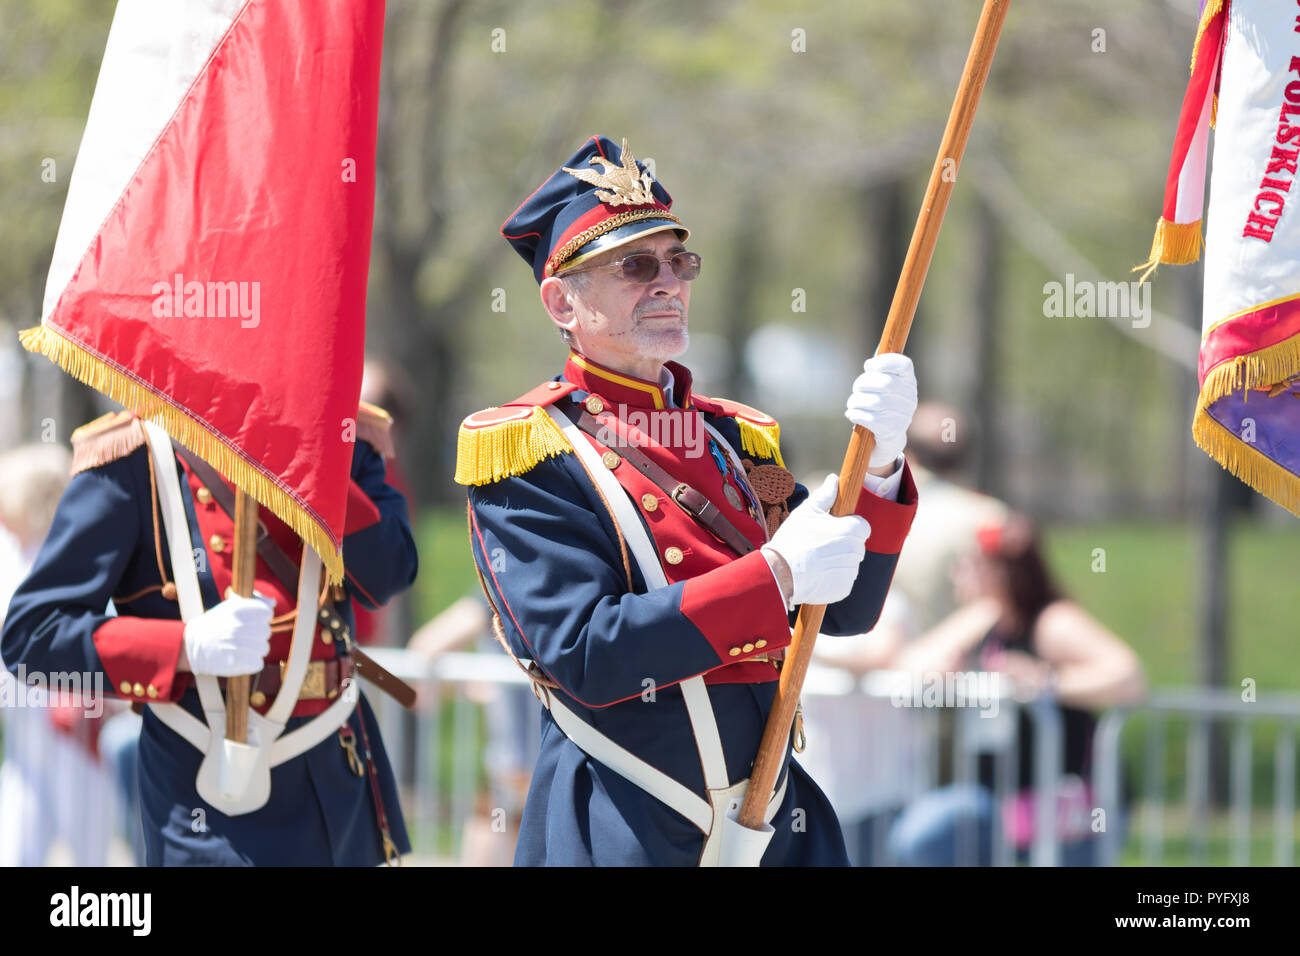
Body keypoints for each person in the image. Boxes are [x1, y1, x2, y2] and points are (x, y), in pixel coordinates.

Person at [457, 135, 920, 865]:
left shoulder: (742, 443)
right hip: (625, 823)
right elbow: (586, 652)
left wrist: (885, 465)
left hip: (770, 824)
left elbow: (848, 608)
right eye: (636, 267)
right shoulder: (530, 450)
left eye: (679, 262)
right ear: (562, 302)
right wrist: (777, 576)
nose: (667, 283)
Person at [1, 404, 418, 865]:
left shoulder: (342, 436)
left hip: (332, 779)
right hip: (207, 786)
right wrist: (184, 647)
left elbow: (388, 572)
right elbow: (34, 635)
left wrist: (320, 461)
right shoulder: (133, 454)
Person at [887, 514, 1145, 866]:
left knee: (924, 837)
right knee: (921, 839)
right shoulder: (987, 621)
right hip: (1005, 801)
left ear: (997, 572)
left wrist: (1046, 681)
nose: (955, 574)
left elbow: (1127, 675)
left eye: (966, 564)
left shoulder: (1052, 622)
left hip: (1068, 803)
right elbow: (910, 664)